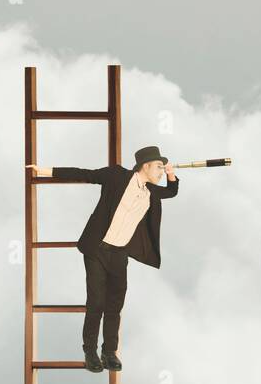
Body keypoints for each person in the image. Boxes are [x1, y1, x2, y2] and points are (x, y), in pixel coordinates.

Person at [27, 146, 179, 372]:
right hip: (97, 249)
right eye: (158, 166)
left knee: (115, 305)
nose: (160, 172)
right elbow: (84, 174)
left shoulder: (152, 191)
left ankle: (109, 352)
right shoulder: (117, 176)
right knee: (96, 302)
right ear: (145, 165)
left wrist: (170, 173)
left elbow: (172, 191)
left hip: (120, 253)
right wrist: (45, 170)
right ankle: (90, 352)